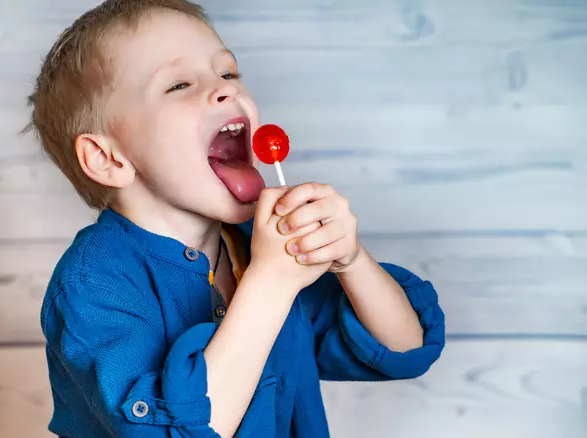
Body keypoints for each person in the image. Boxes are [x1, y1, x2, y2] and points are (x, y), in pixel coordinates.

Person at [23, 1, 445, 437]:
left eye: (228, 73)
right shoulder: (94, 283)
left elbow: (404, 349)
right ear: (109, 158)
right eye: (179, 84)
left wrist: (351, 260)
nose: (227, 91)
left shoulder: (256, 245)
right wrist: (272, 282)